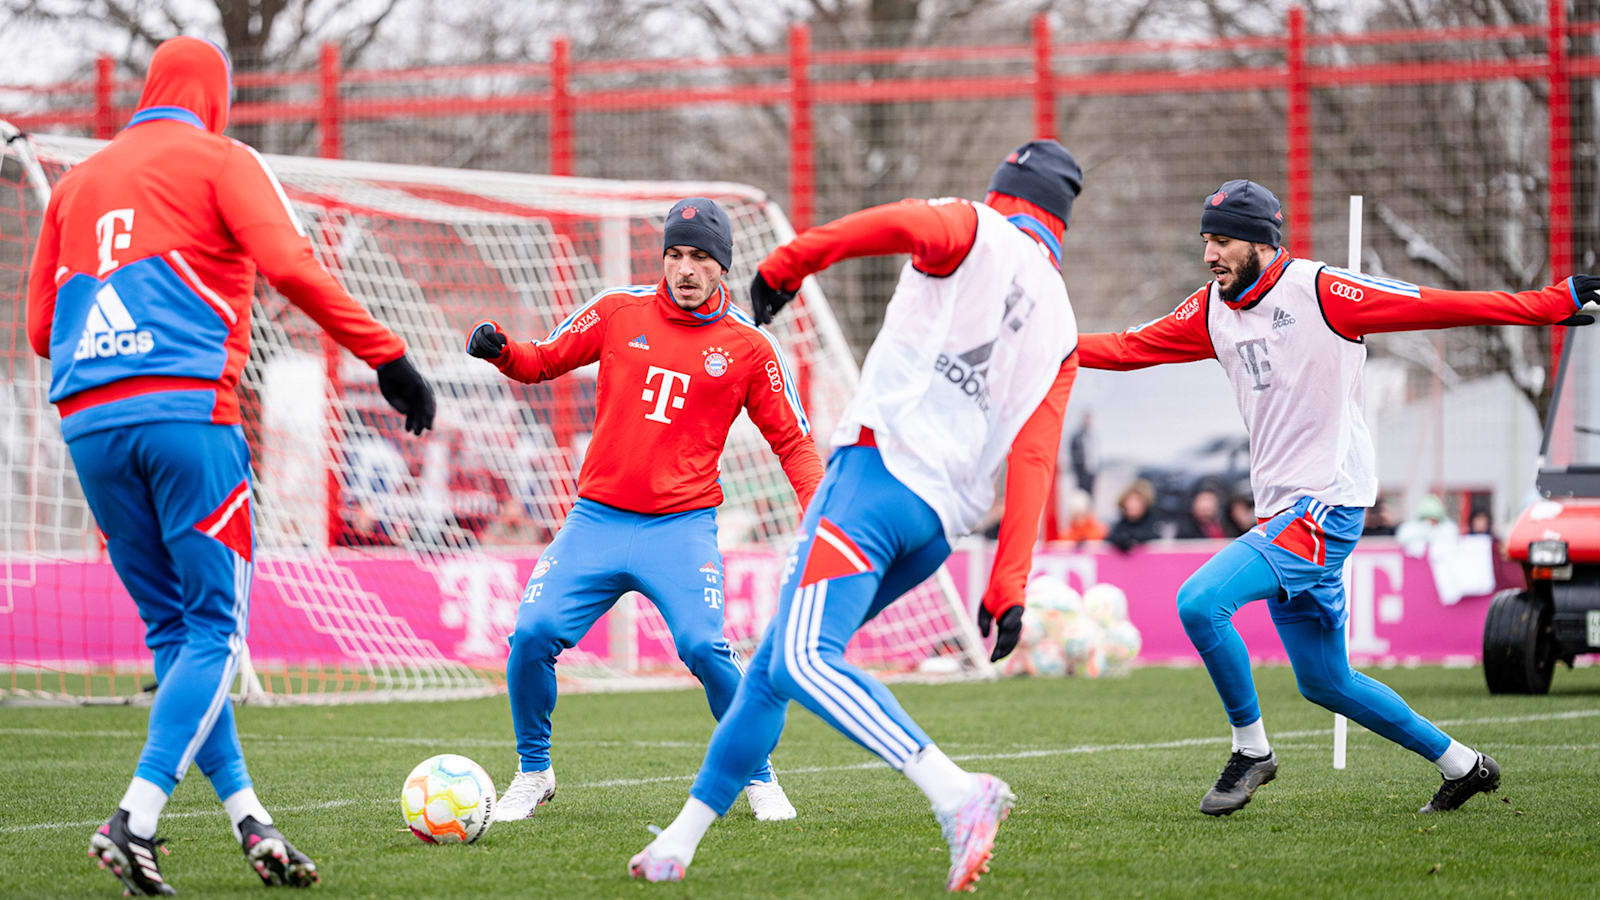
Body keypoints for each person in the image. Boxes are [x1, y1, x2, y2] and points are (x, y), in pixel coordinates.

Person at [24, 37, 436, 896]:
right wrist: (387, 354)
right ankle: (133, 818)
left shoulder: (74, 185)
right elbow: (289, 263)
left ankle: (251, 818)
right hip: (188, 419)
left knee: (178, 638)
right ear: (216, 99)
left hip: (91, 429)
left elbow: (37, 333)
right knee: (215, 630)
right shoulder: (222, 159)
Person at [628, 140, 1084, 892]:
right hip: (936, 527)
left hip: (875, 478)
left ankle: (956, 792)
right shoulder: (1061, 325)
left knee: (806, 660)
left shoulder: (975, 227)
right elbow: (1035, 460)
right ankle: (679, 840)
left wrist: (787, 265)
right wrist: (1009, 585)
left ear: (1004, 190)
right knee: (773, 670)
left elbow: (893, 223)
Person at [1078, 179, 1596, 818]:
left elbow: (1435, 305)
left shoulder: (1324, 291)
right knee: (1326, 683)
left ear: (1264, 242)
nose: (1210, 255)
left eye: (1223, 241)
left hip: (1326, 506)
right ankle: (1464, 765)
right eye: (1206, 241)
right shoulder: (1211, 307)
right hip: (1283, 513)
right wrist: (1045, 353)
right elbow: (1128, 348)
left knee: (1199, 602)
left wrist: (1547, 304)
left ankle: (1251, 752)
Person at [465, 196, 822, 825]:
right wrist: (500, 350)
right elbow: (542, 359)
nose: (684, 269)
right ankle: (532, 771)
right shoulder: (616, 309)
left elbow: (793, 442)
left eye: (700, 257)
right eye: (675, 254)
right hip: (596, 521)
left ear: (723, 267)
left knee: (706, 648)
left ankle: (758, 776)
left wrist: (819, 517)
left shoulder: (749, 347)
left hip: (680, 529)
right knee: (530, 634)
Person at [1107, 479, 1160, 552]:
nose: (1133, 505)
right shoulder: (1119, 526)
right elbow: (1110, 539)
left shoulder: (1155, 524)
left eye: (1137, 500)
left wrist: (1134, 539)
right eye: (1130, 500)